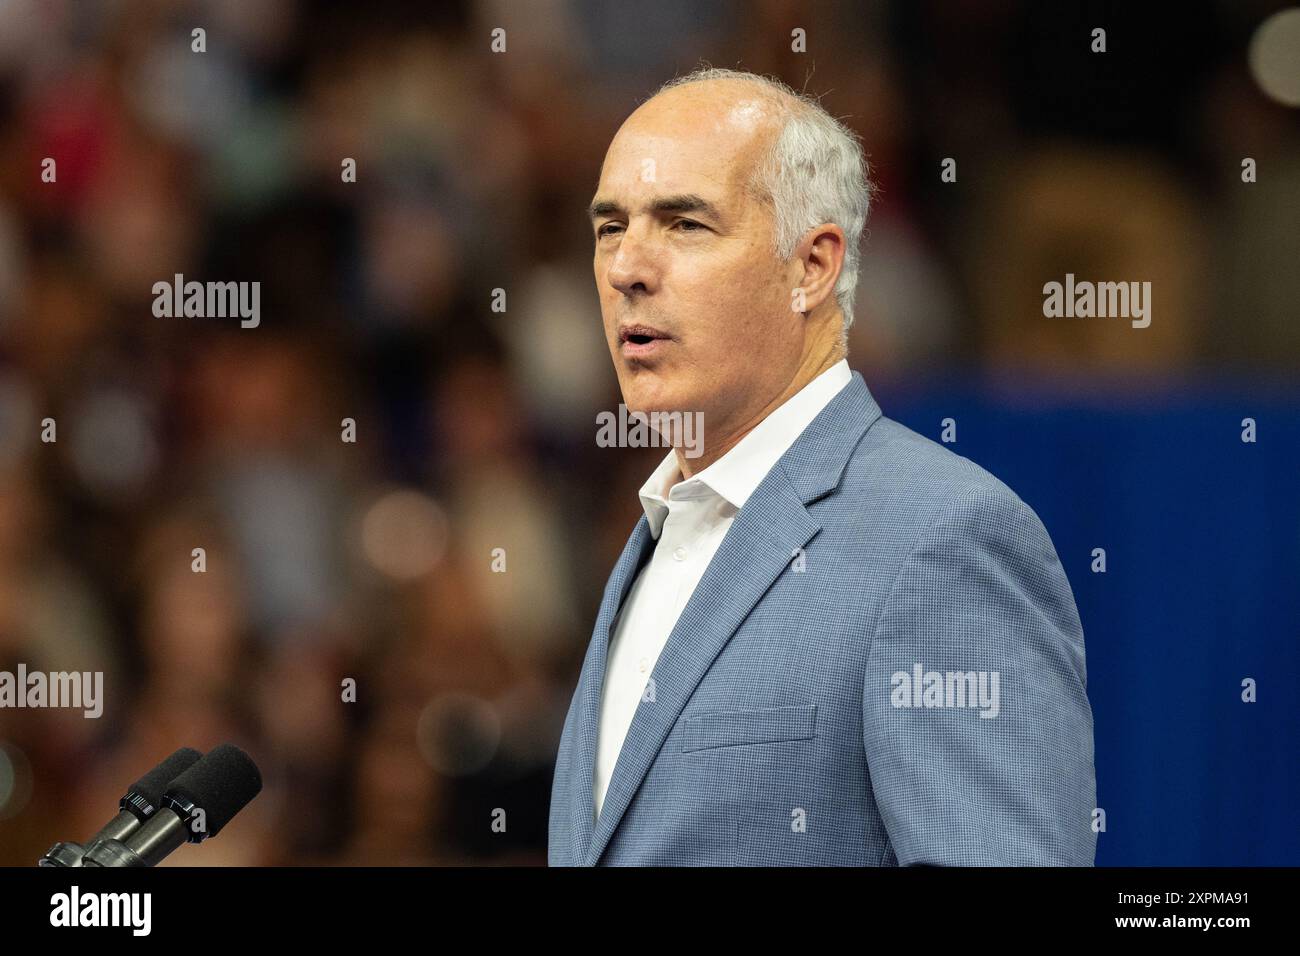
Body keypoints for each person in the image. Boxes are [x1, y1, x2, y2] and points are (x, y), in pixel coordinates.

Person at [548, 68, 1096, 865]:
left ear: (813, 267)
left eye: (685, 224)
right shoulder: (660, 535)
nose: (628, 267)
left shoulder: (943, 540)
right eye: (609, 228)